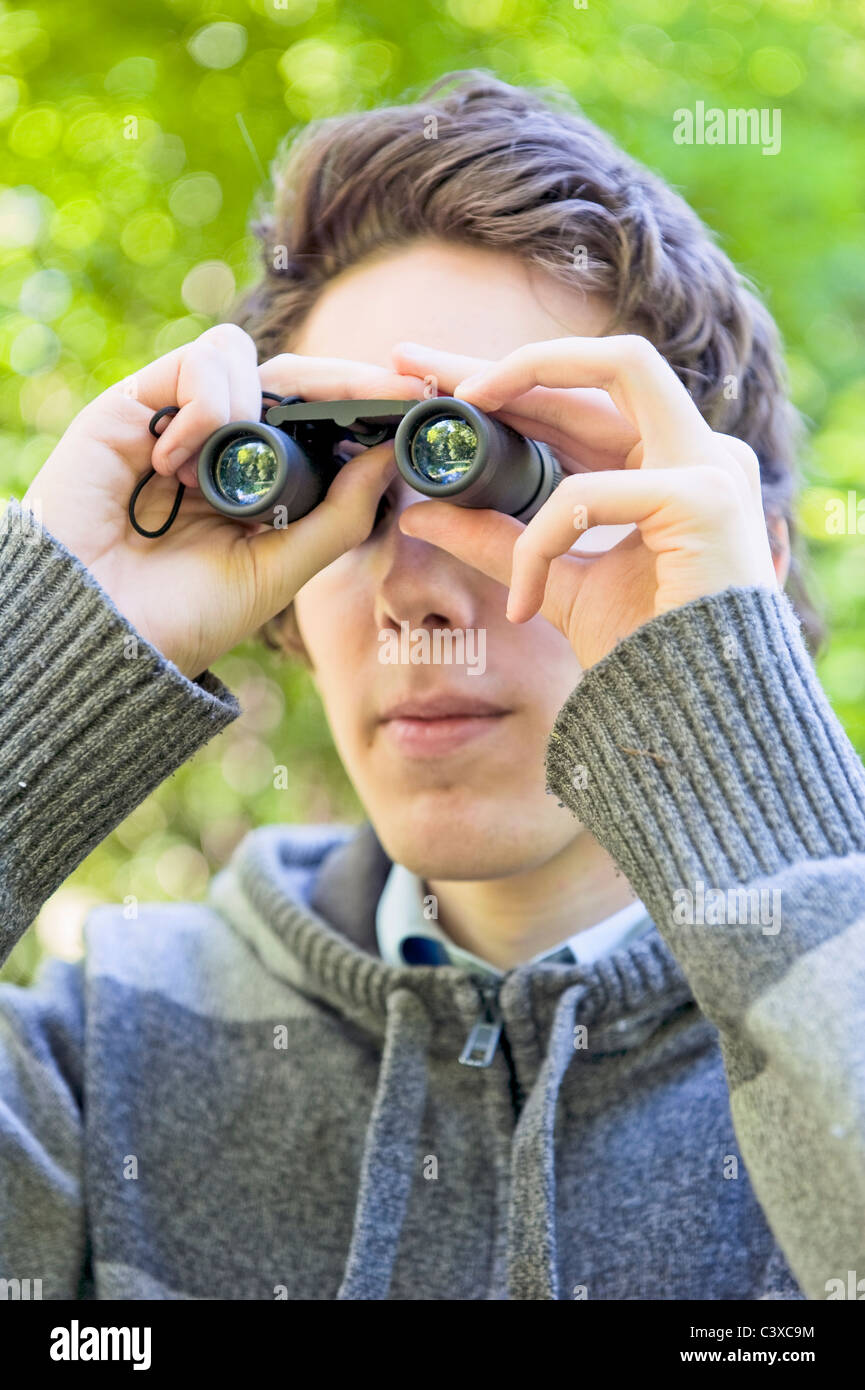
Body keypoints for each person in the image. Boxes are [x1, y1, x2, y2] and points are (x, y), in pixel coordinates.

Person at [1, 70, 863, 1302]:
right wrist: (45, 650)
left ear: (746, 565)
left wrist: (723, 714)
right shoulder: (108, 1062)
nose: (421, 591)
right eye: (338, 485)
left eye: (521, 481)